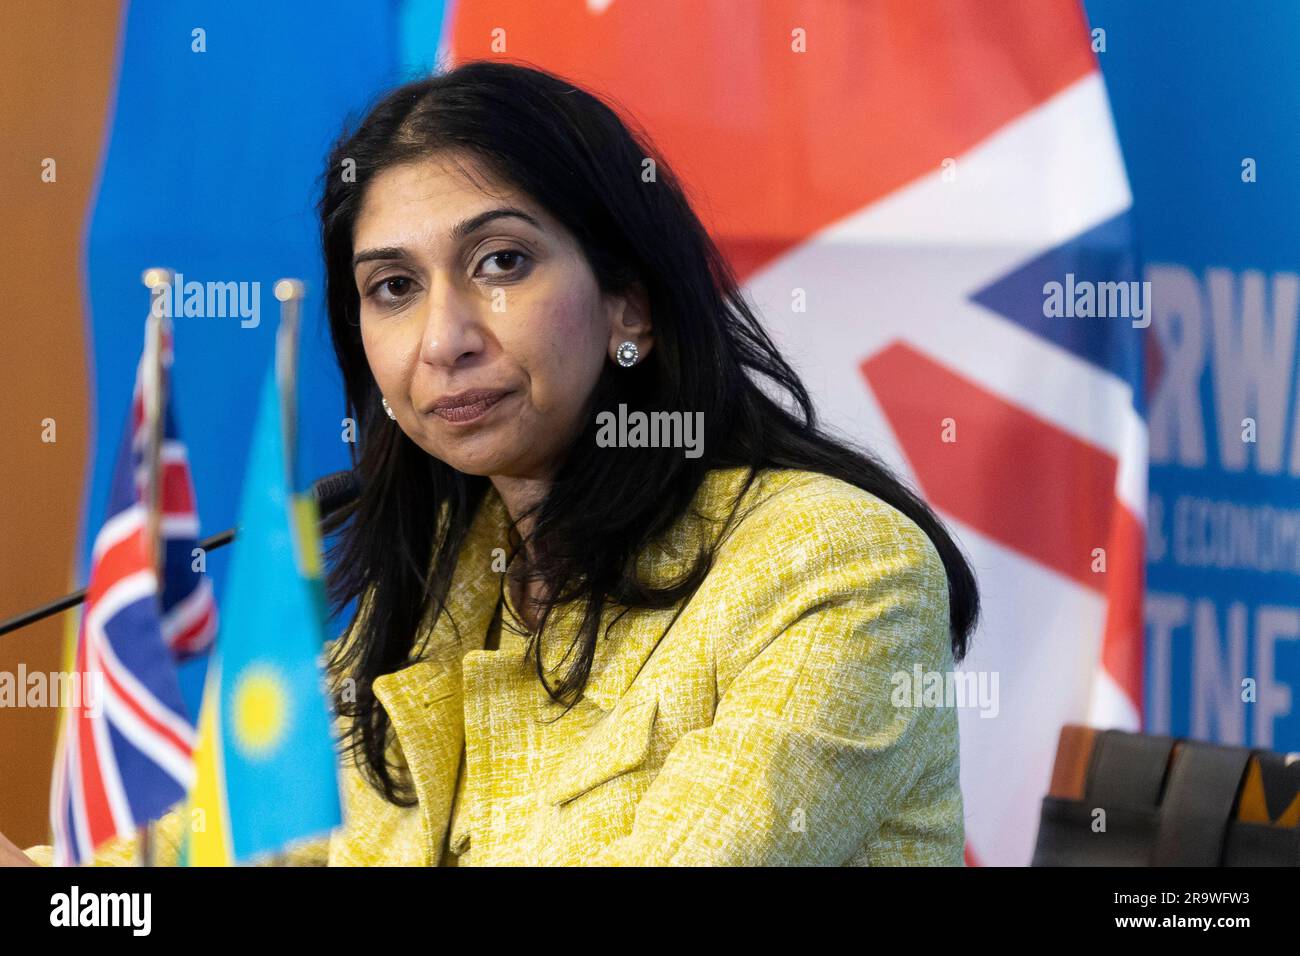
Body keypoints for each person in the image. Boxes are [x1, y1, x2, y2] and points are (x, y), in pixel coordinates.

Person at [9, 59, 979, 867]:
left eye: (501, 262)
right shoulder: (443, 579)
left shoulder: (835, 563)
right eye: (391, 286)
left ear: (627, 305)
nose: (443, 339)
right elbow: (218, 849)